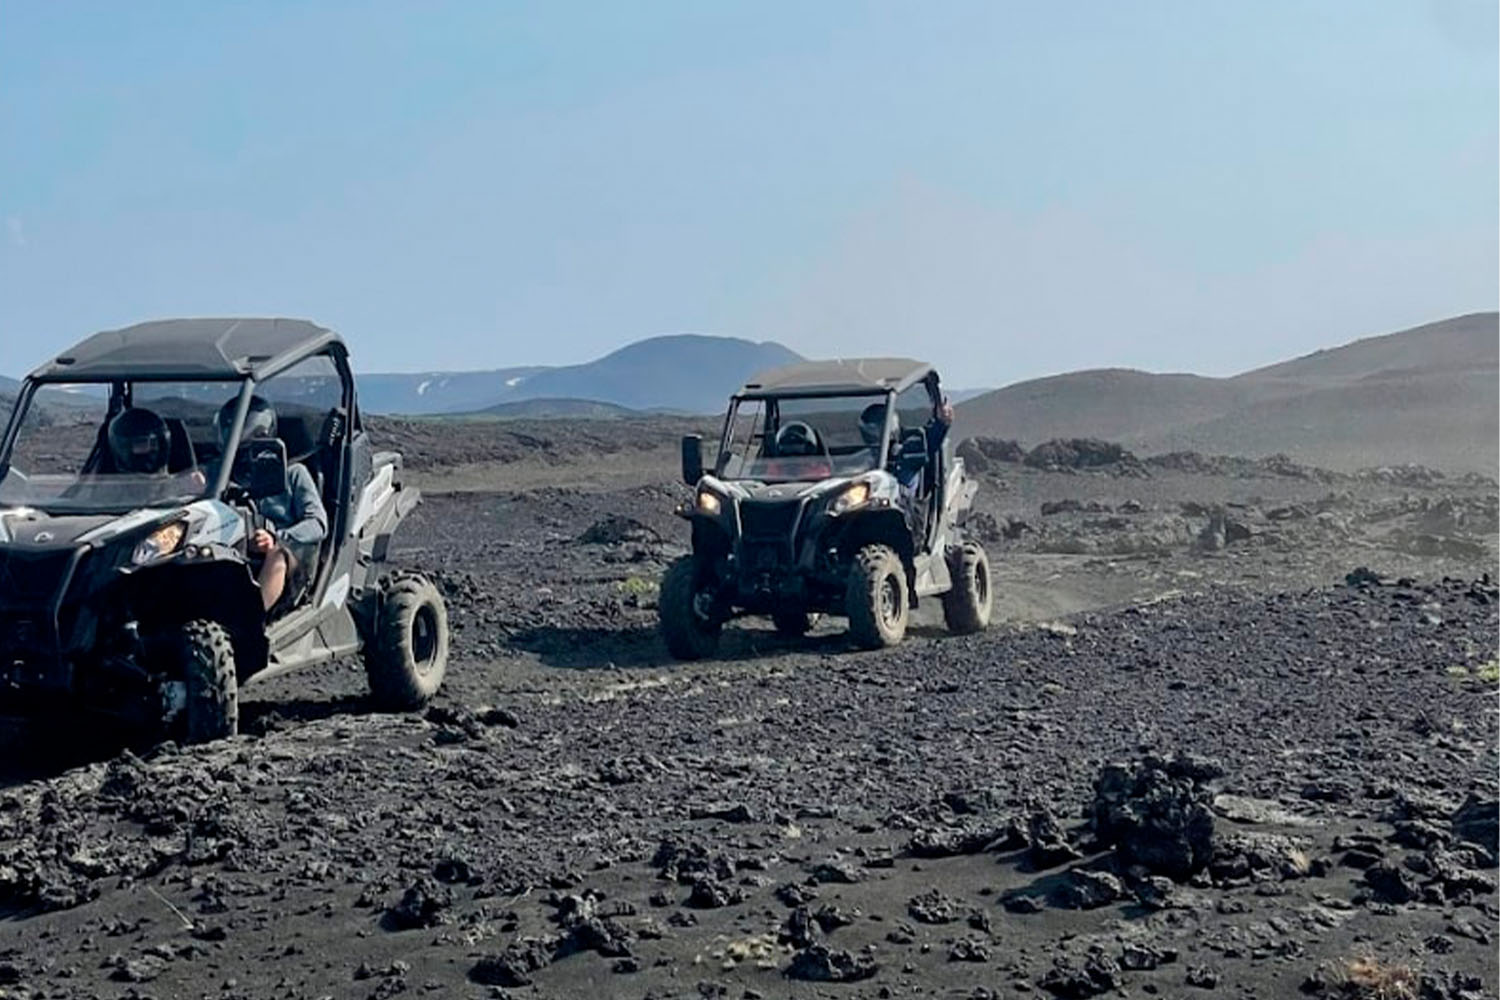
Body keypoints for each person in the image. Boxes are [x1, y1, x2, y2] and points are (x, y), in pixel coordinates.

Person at [211, 395, 328, 614]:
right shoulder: (217, 474)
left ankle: (251, 622)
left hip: (288, 565)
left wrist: (277, 537)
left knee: (276, 555)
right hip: (230, 553)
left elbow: (318, 524)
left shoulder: (293, 473)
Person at [106, 407, 172, 475]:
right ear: (124, 447)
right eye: (142, 443)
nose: (151, 449)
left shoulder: (176, 481)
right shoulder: (109, 482)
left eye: (153, 443)